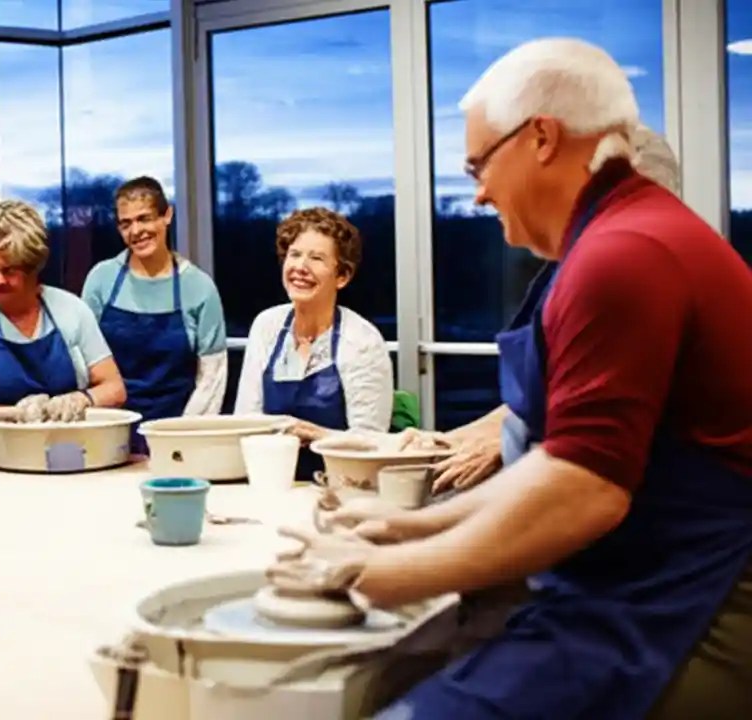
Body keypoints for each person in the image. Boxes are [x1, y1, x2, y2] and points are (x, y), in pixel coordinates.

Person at [272, 38, 752, 719]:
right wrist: (410, 528)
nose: (477, 194)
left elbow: (584, 490)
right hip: (644, 574)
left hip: (693, 600)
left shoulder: (625, 254)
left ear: (542, 139)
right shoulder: (616, 239)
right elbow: (561, 453)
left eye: (479, 165)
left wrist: (391, 573)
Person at [431, 121, 683, 494]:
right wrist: (447, 441)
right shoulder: (574, 267)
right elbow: (538, 396)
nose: (482, 196)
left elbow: (597, 449)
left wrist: (500, 446)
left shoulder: (639, 275)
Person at [0, 195, 127, 465]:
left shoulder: (71, 310)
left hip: (62, 457)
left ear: (33, 270)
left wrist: (81, 399)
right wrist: (12, 416)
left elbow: (114, 387)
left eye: (9, 272)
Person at [233, 207, 393, 479]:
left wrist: (318, 436)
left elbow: (371, 444)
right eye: (294, 255)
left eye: (316, 258)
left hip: (342, 486)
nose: (300, 268)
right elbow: (245, 421)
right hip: (270, 480)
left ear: (342, 276)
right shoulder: (266, 326)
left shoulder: (361, 341)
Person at [81, 176, 227, 453]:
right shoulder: (102, 280)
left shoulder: (199, 287)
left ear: (167, 215)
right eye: (126, 223)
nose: (136, 231)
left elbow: (212, 379)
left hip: (176, 431)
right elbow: (83, 362)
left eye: (145, 219)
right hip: (109, 430)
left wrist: (179, 440)